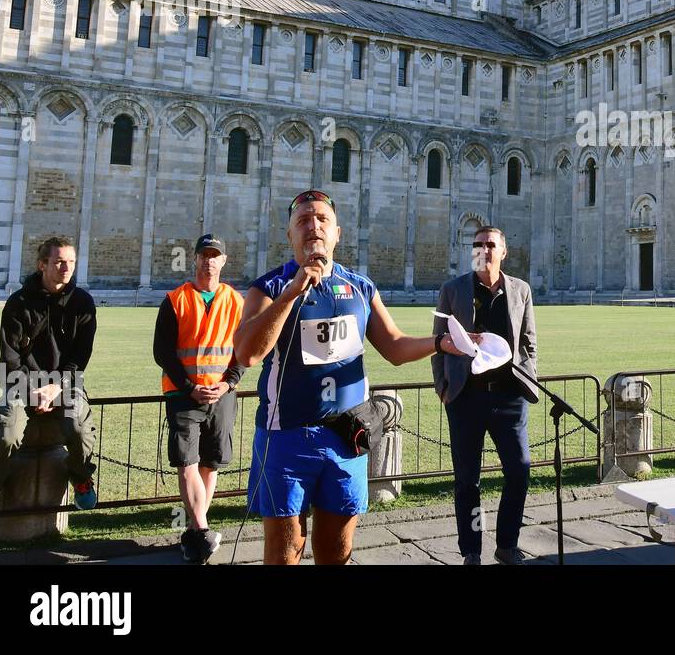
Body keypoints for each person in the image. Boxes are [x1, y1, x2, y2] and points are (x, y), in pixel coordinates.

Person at [233, 190, 472, 565]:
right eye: (303, 221)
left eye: (322, 219)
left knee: (337, 549)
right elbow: (247, 352)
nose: (313, 226)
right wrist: (293, 293)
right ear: (290, 235)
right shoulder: (269, 288)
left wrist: (442, 343)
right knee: (284, 552)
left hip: (347, 436)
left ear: (337, 233)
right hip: (286, 437)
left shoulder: (360, 287)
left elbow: (393, 346)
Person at [432, 225, 539, 565]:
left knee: (519, 471)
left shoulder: (519, 290)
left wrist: (527, 377)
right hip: (466, 397)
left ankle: (507, 544)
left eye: (490, 244)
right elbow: (438, 344)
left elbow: (528, 341)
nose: (484, 249)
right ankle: (471, 551)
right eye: (477, 244)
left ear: (503, 251)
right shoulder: (453, 290)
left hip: (509, 397)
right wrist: (443, 387)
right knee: (467, 480)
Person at [0, 237, 98, 521]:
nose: (65, 268)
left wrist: (55, 387)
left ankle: (81, 479)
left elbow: (79, 358)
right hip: (20, 382)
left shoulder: (82, 303)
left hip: (65, 382)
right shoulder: (18, 303)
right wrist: (35, 391)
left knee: (78, 428)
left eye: (70, 261)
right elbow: (10, 359)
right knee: (6, 433)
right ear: (41, 264)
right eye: (58, 262)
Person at [153, 234, 246, 563]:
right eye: (203, 254)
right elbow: (162, 352)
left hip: (221, 395)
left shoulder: (236, 301)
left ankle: (196, 533)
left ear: (223, 261)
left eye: (214, 255)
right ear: (194, 259)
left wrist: (229, 383)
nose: (209, 260)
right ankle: (203, 528)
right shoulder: (175, 300)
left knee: (211, 462)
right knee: (186, 462)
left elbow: (245, 351)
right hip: (184, 394)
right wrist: (189, 386)